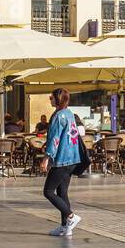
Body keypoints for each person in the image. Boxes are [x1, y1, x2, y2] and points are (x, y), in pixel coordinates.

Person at [41, 88, 82, 236]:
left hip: (62, 159)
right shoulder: (70, 114)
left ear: (58, 99)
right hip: (73, 158)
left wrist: (46, 158)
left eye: (51, 97)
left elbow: (55, 139)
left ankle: (71, 216)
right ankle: (66, 227)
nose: (49, 99)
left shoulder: (58, 116)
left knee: (48, 191)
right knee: (62, 192)